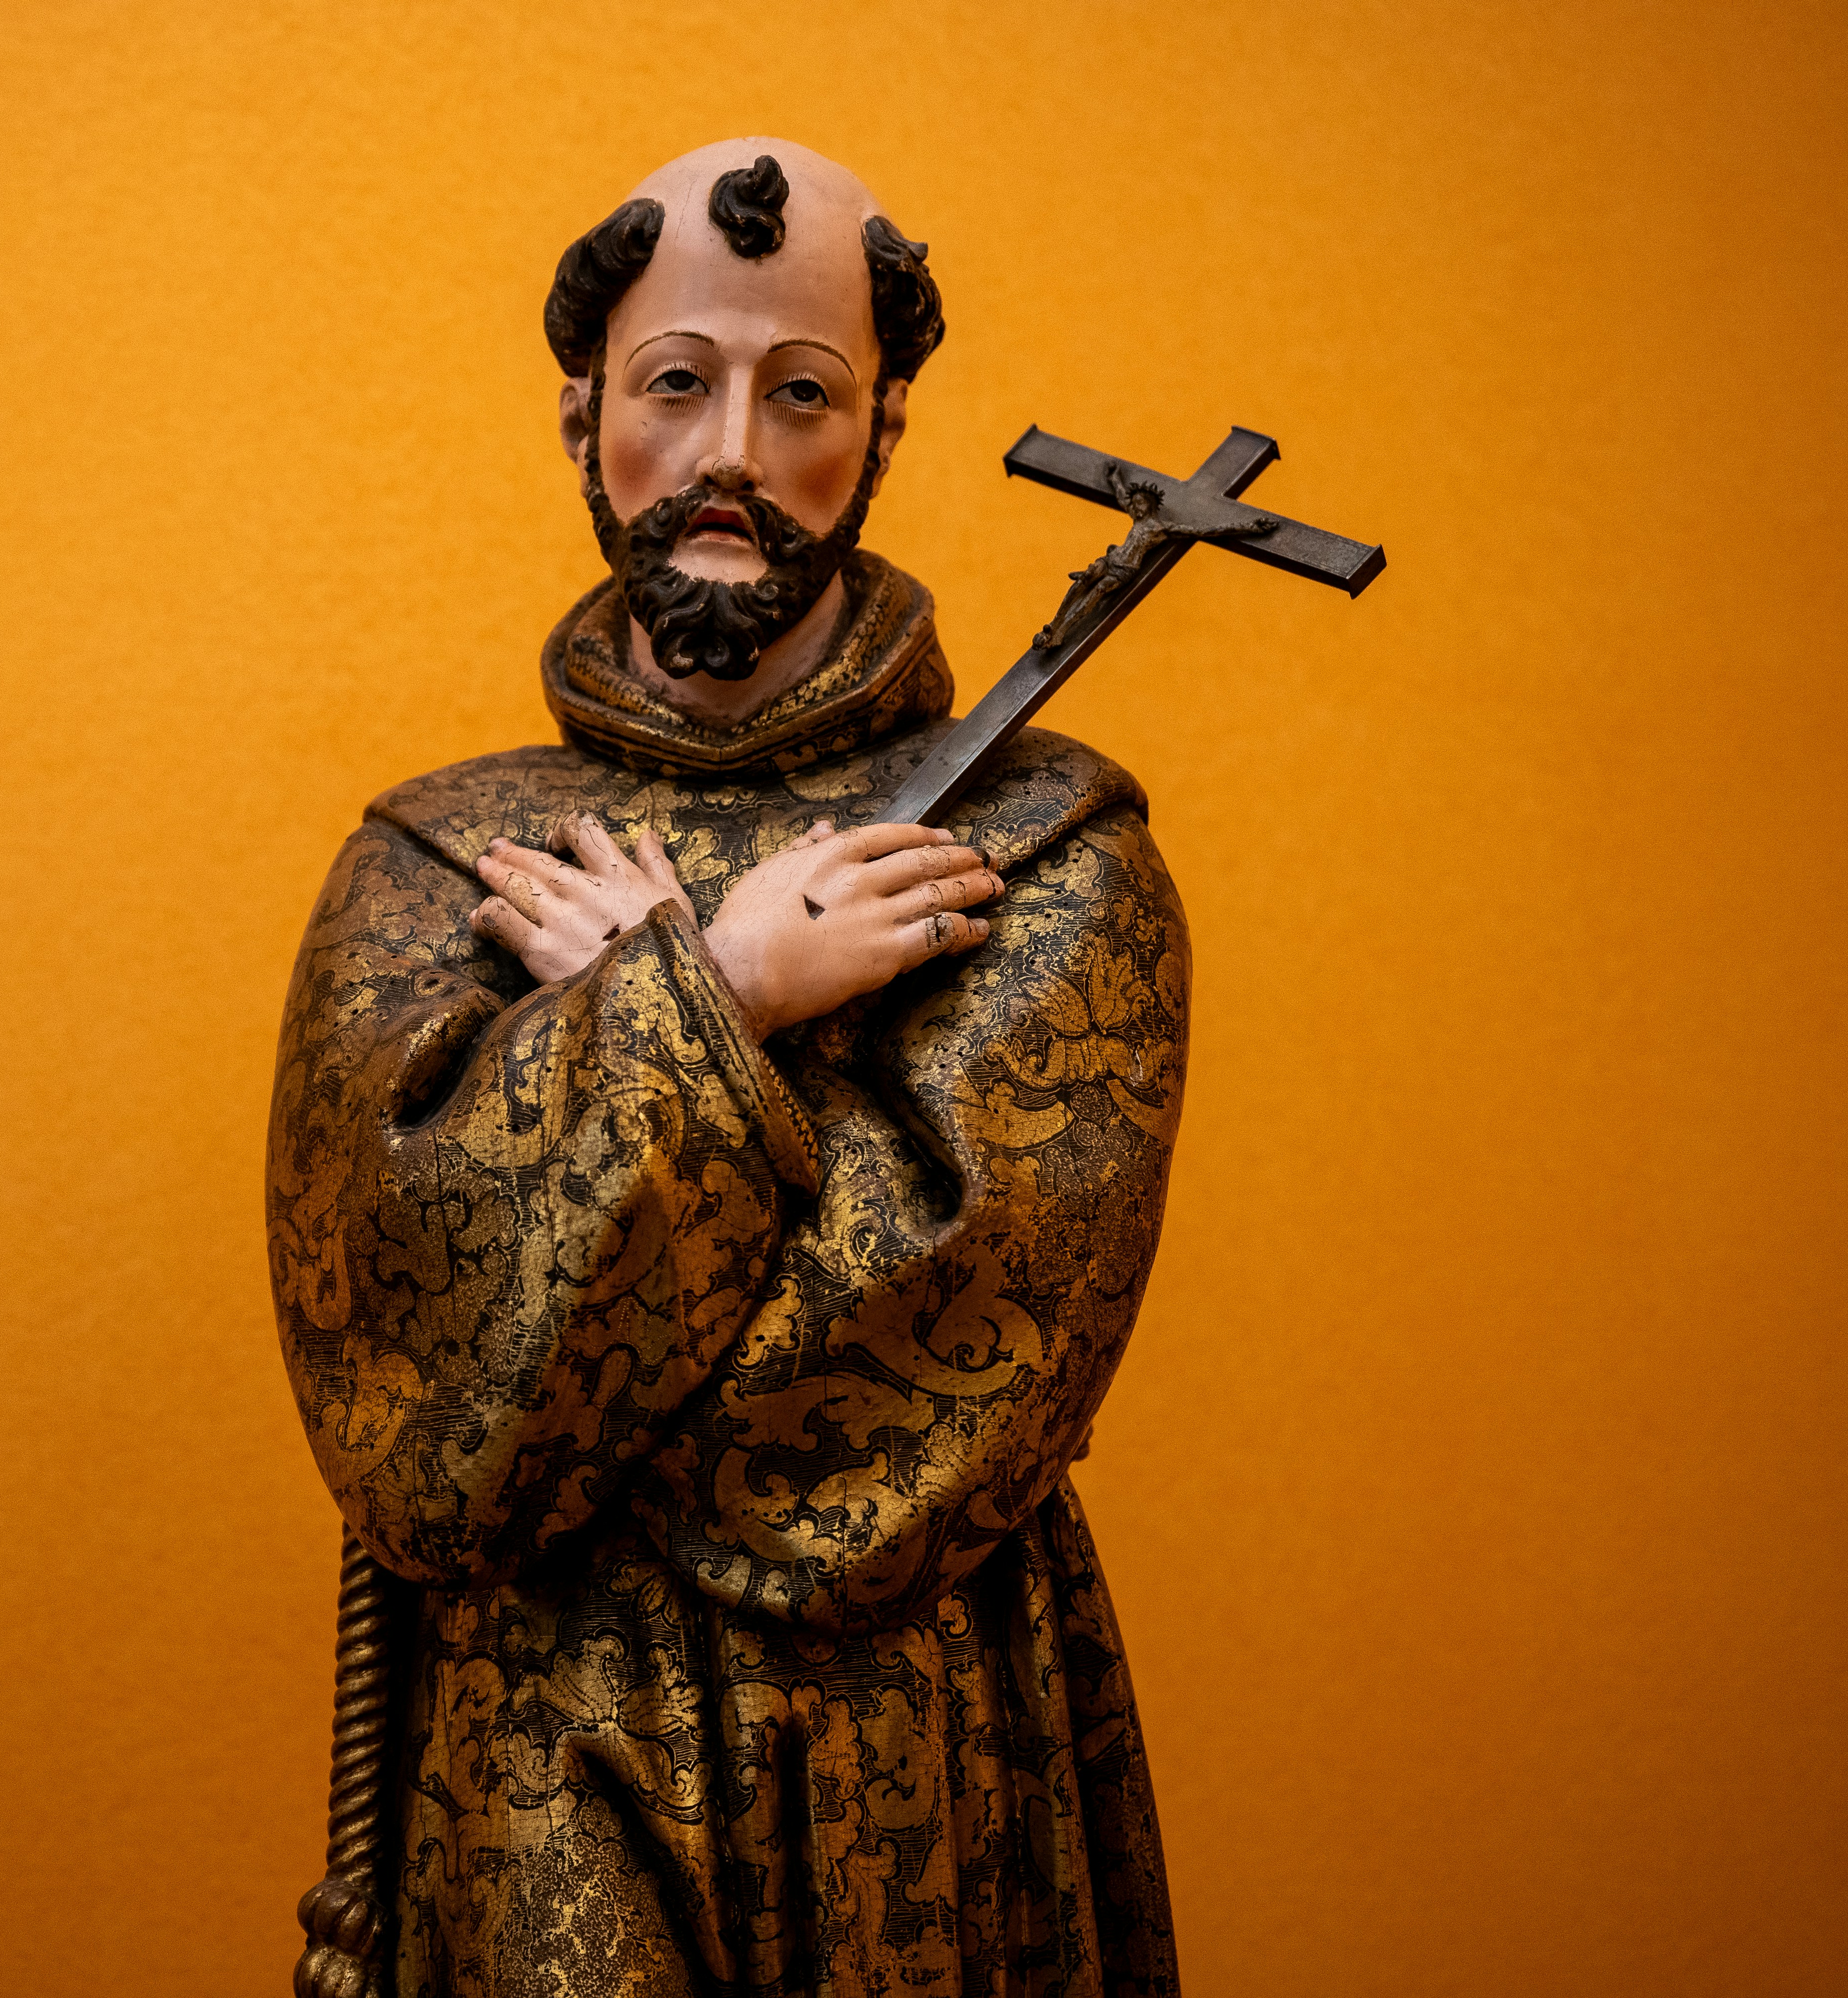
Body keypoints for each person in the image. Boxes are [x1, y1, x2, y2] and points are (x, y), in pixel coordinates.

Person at [269, 138, 1189, 1998]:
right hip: (536, 1763)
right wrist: (729, 985)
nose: (731, 462)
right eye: (676, 384)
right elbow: (423, 1413)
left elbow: (913, 1412)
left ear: (890, 422)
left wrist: (627, 1025)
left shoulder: (1046, 854)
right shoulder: (438, 862)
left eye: (805, 396)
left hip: (916, 1748)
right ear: (582, 412)